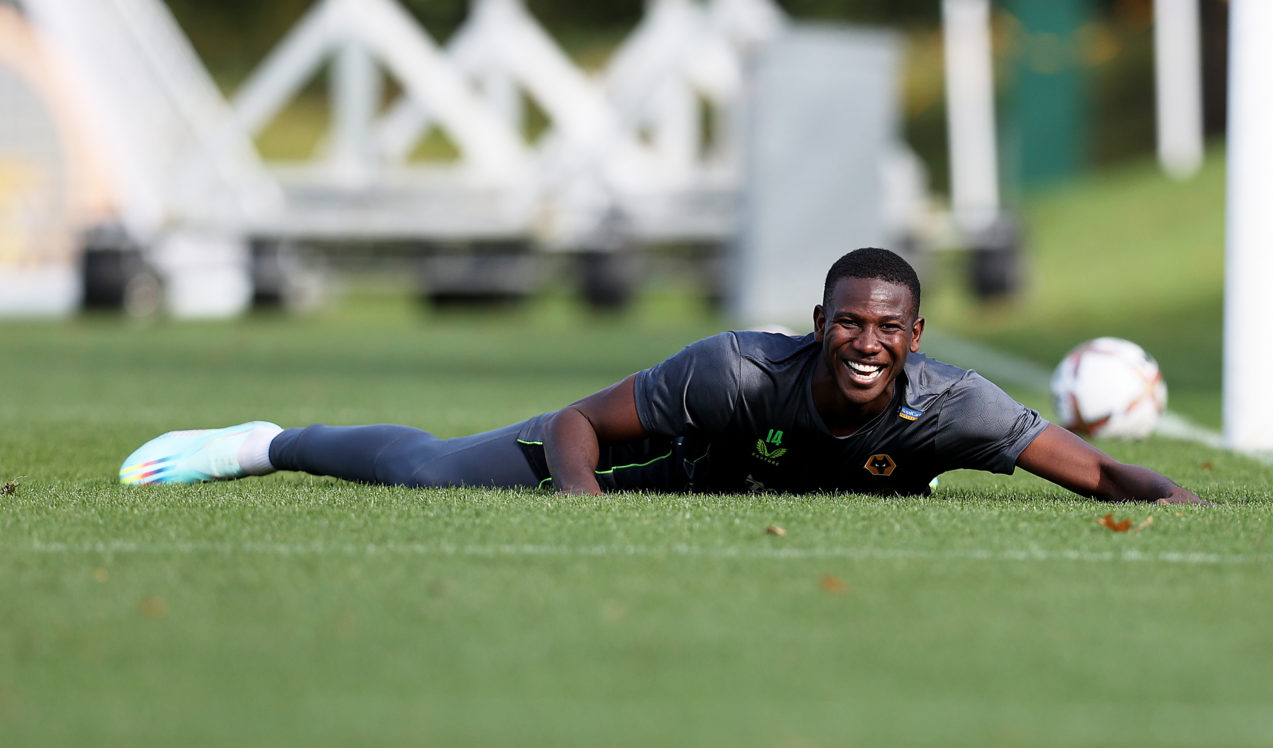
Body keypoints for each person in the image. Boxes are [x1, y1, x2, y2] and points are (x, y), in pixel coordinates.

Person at [119, 248, 1206, 505]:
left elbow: (1098, 472)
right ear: (820, 324)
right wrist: (582, 503)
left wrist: (1184, 502)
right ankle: (263, 443)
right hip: (643, 462)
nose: (865, 343)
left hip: (707, 486)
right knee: (430, 472)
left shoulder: (958, 407)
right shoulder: (737, 369)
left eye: (887, 328)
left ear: (915, 336)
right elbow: (582, 423)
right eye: (848, 323)